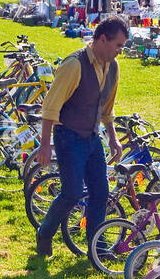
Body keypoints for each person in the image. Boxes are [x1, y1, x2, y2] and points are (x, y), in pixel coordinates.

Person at [33, 15, 127, 259]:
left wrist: (114, 139)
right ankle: (44, 233)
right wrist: (45, 145)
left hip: (92, 136)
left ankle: (98, 248)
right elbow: (50, 107)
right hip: (69, 136)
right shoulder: (73, 65)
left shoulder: (113, 67)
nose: (119, 51)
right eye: (118, 45)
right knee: (72, 192)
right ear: (102, 39)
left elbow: (107, 108)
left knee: (100, 192)